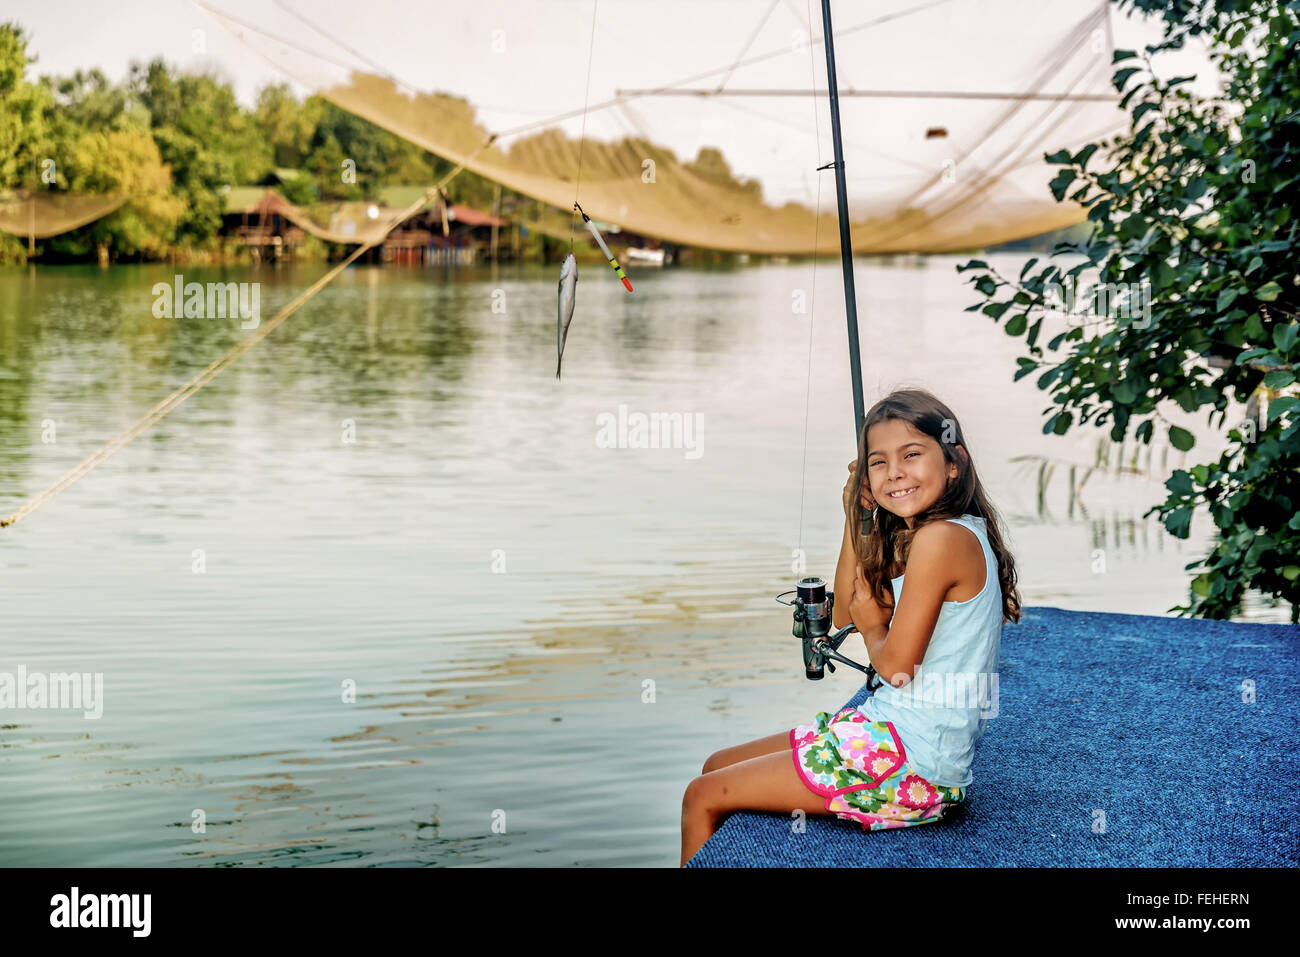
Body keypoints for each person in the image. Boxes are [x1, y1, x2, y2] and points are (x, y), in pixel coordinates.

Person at [680, 388, 1022, 866]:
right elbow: (844, 612)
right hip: (889, 731)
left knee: (702, 795)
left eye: (912, 454)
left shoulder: (941, 540)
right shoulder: (936, 533)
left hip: (912, 763)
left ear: (953, 462)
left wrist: (873, 627)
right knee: (719, 765)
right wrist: (855, 515)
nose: (895, 472)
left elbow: (897, 667)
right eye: (877, 463)